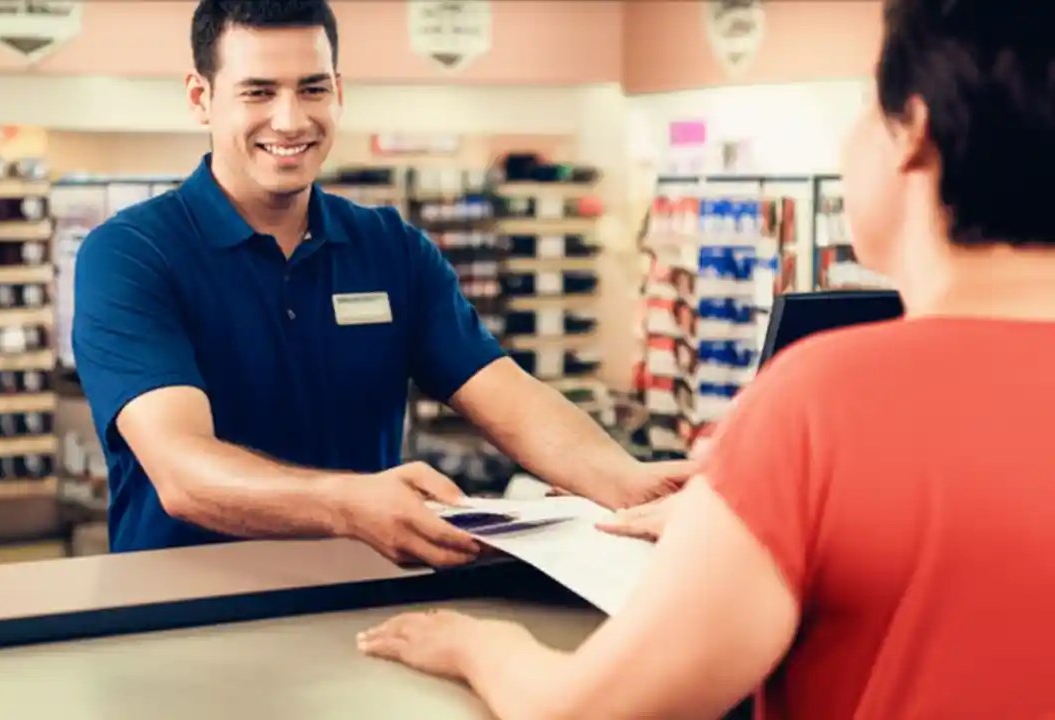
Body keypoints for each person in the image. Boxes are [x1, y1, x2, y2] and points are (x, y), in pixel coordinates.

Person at [357, 1, 1055, 717]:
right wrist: (742, 522)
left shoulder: (827, 401)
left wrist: (476, 647)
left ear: (913, 131)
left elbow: (586, 710)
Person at [71, 0, 691, 563]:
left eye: (311, 88)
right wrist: (348, 504)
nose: (289, 120)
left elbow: (509, 399)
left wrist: (627, 482)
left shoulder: (391, 248)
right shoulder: (131, 255)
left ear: (338, 91)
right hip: (184, 616)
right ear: (201, 97)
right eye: (257, 92)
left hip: (361, 602)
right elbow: (183, 474)